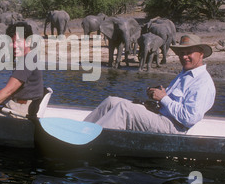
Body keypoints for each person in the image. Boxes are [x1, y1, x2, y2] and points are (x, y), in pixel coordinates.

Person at [84, 34, 216, 134]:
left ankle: (91, 139)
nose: (184, 57)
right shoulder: (184, 74)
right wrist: (156, 100)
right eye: (182, 53)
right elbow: (170, 102)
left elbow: (189, 118)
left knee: (124, 109)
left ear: (201, 54)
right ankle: (83, 130)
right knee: (111, 101)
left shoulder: (202, 83)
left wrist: (163, 98)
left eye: (189, 53)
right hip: (161, 116)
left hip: (174, 128)